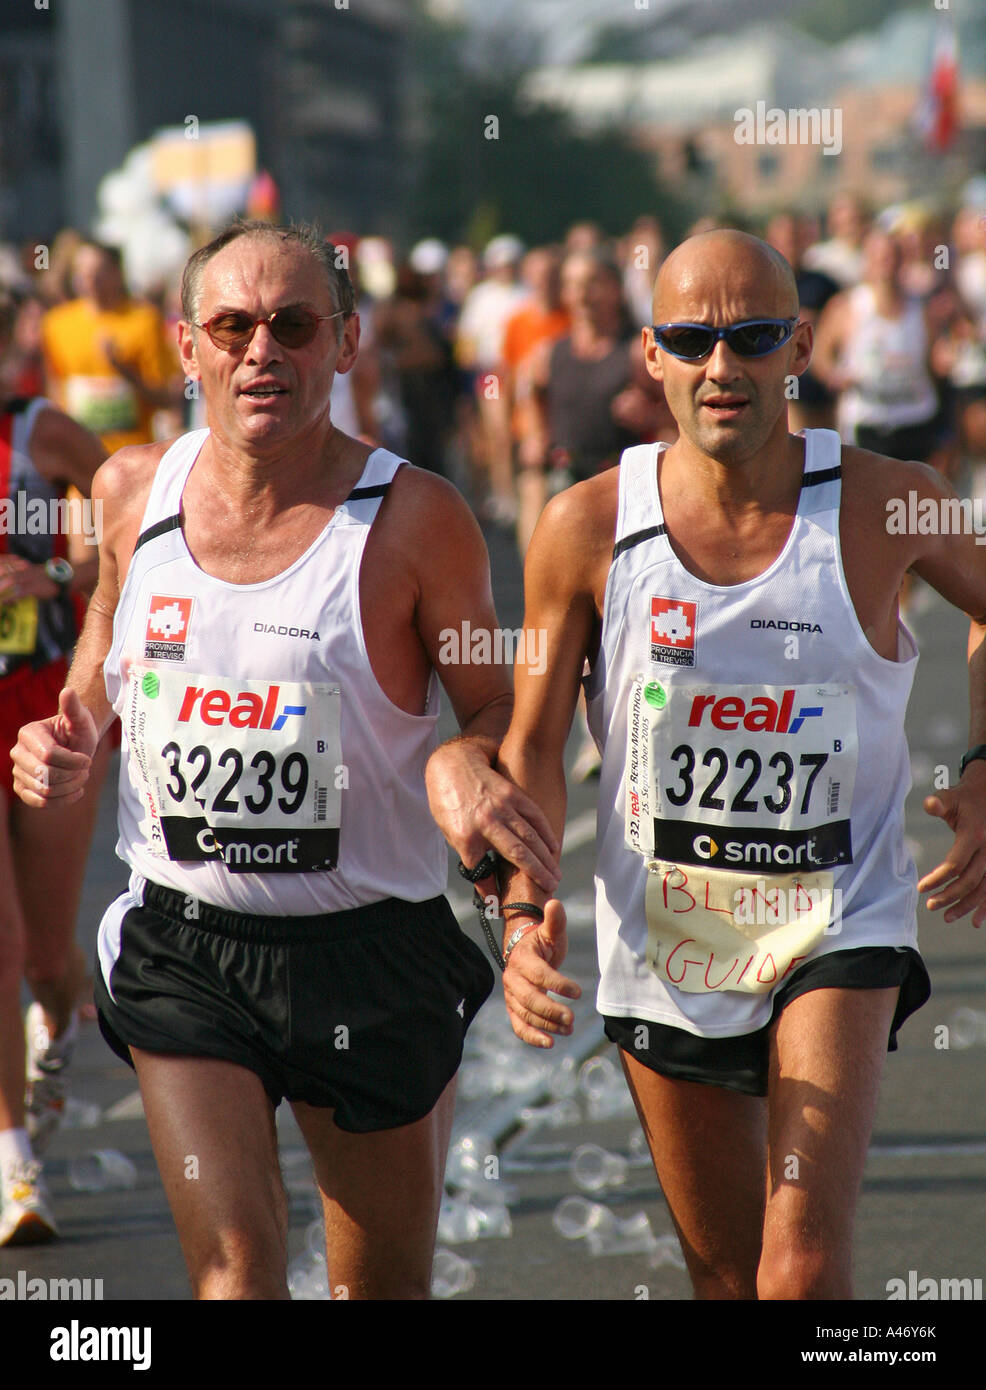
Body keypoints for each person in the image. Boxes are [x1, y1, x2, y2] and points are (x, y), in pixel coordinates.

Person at [10, 221, 558, 1297]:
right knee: (233, 1276)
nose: (261, 350)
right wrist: (68, 722)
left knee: (376, 1290)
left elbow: (495, 700)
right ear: (186, 346)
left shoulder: (414, 519)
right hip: (185, 944)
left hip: (367, 949)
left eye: (293, 325)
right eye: (232, 325)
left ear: (345, 343)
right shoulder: (132, 491)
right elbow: (110, 624)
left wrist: (471, 763)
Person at [474, 229, 986, 1299]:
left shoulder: (886, 497)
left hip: (837, 915)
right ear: (649, 356)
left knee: (796, 1269)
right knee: (724, 1273)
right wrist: (516, 914)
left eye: (751, 337)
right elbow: (524, 746)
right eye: (691, 340)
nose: (722, 366)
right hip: (667, 934)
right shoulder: (581, 528)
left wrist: (981, 762)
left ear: (797, 345)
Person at [0, 290, 107, 1244]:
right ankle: (15, 1168)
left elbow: (143, 532)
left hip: (43, 700)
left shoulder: (44, 433)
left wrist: (57, 575)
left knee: (42, 954)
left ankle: (61, 1016)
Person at [41, 240, 180, 454]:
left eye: (98, 271)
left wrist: (123, 369)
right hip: (80, 459)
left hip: (132, 456)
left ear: (117, 273)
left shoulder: (144, 321)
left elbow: (166, 399)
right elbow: (55, 390)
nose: (90, 280)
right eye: (82, 271)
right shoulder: (57, 324)